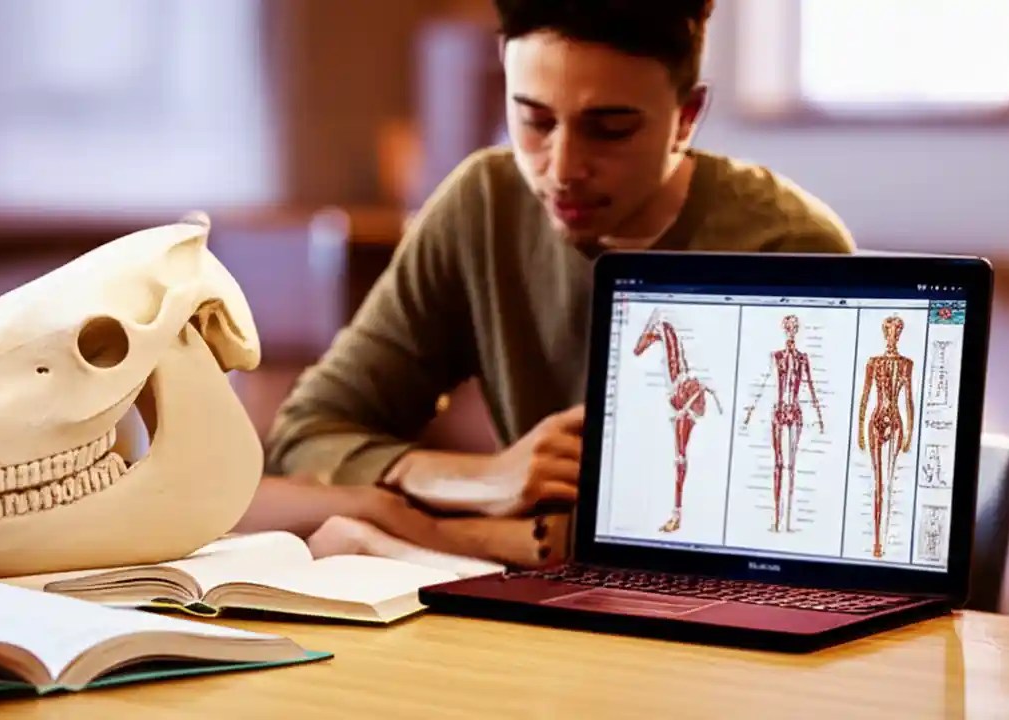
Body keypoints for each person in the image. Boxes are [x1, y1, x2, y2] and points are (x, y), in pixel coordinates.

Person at [234, 0, 855, 565]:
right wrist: (477, 479)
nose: (562, 169)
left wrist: (441, 529)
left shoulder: (789, 247)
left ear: (686, 117)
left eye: (610, 129)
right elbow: (308, 436)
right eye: (533, 121)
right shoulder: (483, 205)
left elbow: (777, 530)